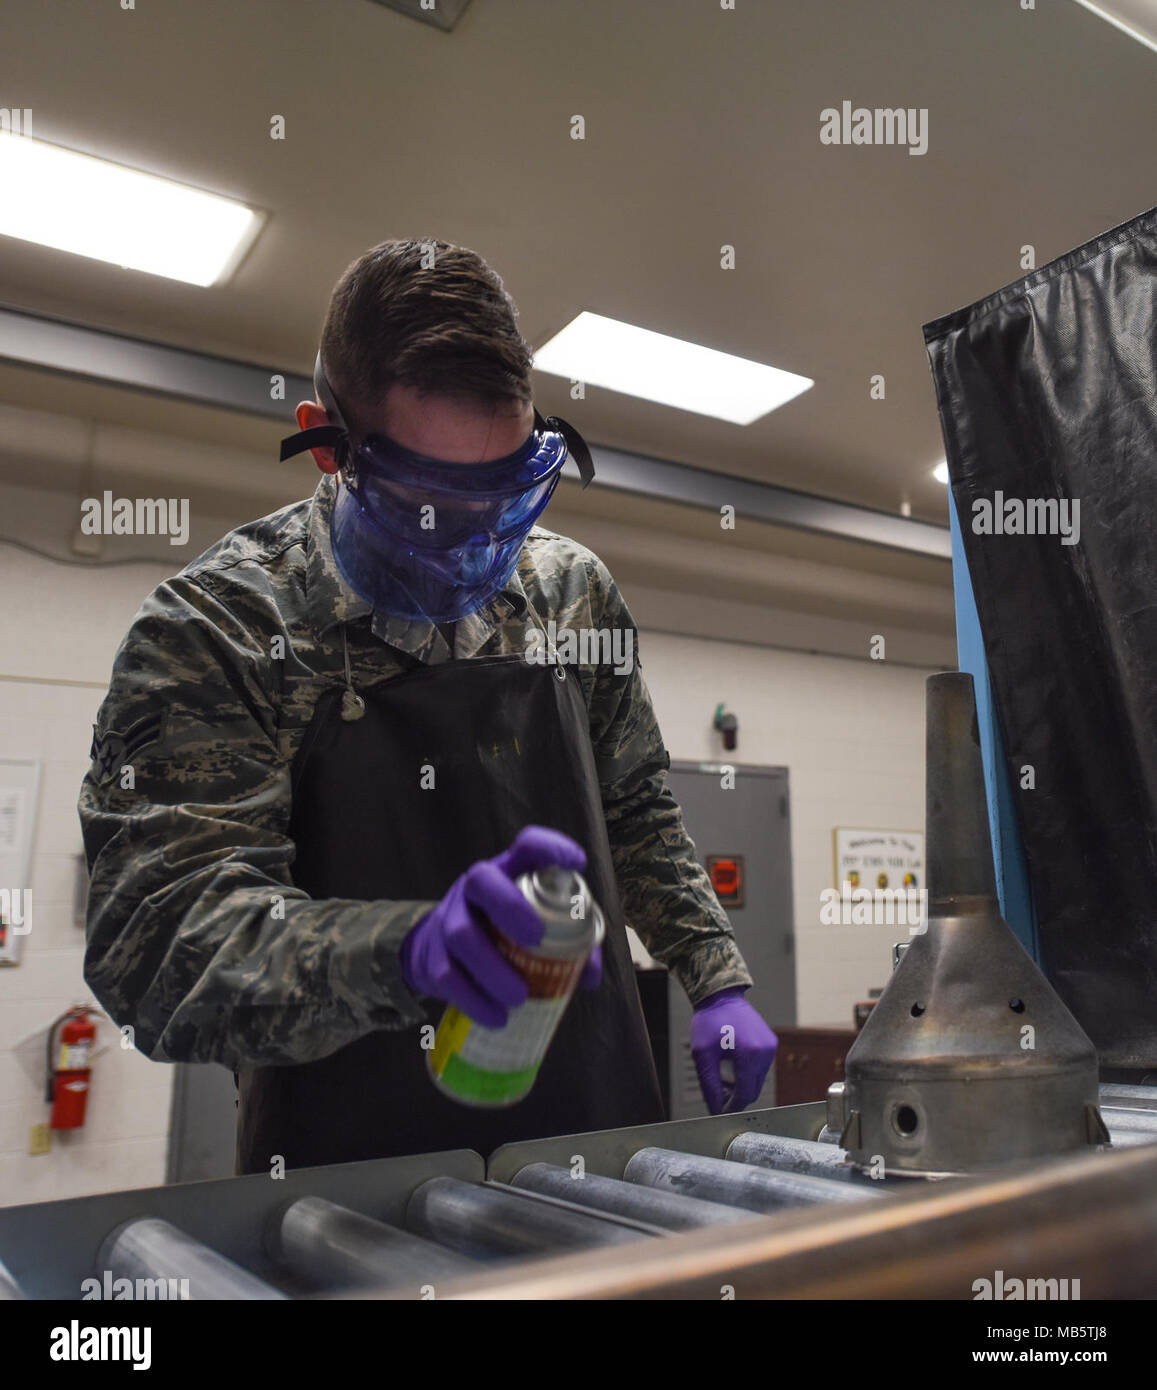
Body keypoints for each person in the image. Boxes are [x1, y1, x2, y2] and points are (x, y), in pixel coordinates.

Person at [78, 238, 778, 1175]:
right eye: (432, 512)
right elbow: (155, 946)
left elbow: (637, 815)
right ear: (327, 442)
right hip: (343, 1186)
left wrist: (717, 977)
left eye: (500, 505)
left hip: (594, 1153)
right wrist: (407, 953)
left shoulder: (570, 595)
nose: (471, 555)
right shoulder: (222, 629)